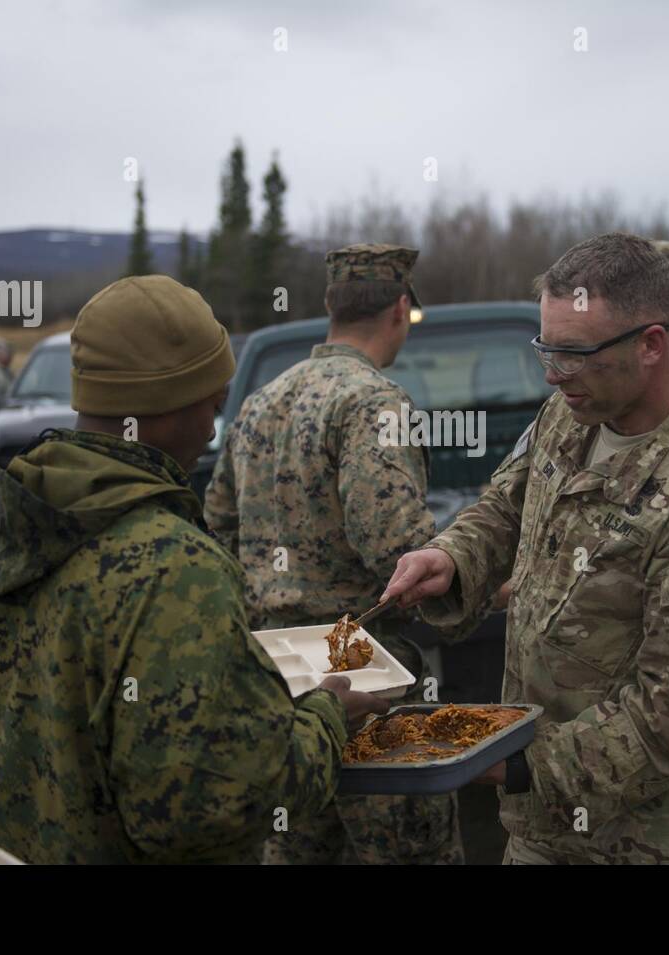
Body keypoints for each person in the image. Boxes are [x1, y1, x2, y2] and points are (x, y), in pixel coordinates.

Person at [0, 275, 388, 864]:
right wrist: (326, 717)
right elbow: (215, 809)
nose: (211, 428)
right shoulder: (180, 571)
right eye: (213, 404)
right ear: (177, 407)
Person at [382, 233, 669, 864]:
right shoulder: (570, 411)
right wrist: (451, 558)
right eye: (545, 348)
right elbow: (507, 505)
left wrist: (509, 760)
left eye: (573, 353)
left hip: (641, 837)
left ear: (653, 344)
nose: (553, 373)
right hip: (542, 817)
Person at [205, 244, 464, 865]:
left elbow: (215, 528)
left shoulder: (258, 404)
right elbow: (396, 553)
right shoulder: (374, 403)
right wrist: (478, 582)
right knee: (408, 849)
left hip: (276, 674)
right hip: (363, 670)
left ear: (329, 307)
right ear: (401, 308)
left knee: (295, 848)